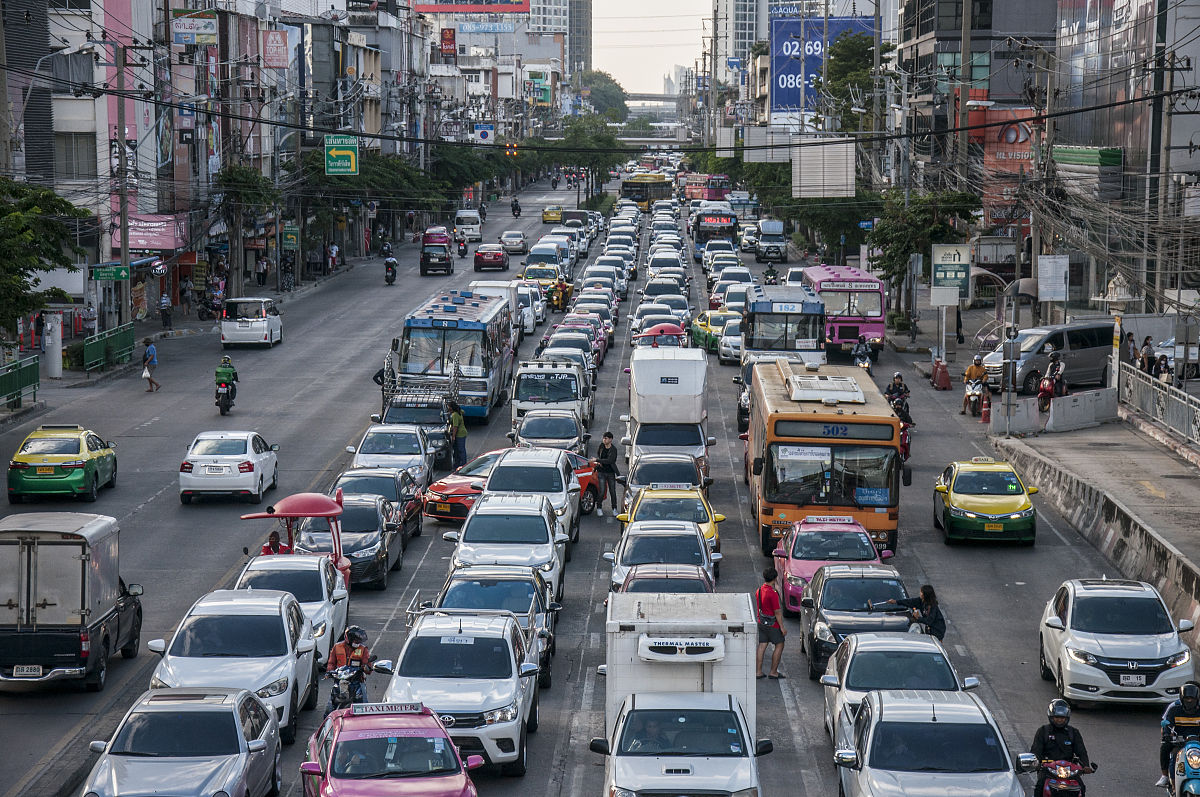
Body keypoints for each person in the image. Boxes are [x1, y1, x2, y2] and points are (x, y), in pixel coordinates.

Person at [1031, 699, 1092, 796]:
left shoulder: (1073, 732)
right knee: (1039, 786)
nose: (1060, 720)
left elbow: (1081, 751)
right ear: (1051, 716)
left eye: (1062, 718)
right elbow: (1036, 751)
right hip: (1047, 770)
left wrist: (1086, 766)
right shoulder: (1043, 731)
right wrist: (1035, 763)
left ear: (1067, 717)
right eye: (1057, 717)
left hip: (1069, 771)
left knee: (1081, 787)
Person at [1159, 681, 1200, 786]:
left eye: (1192, 698)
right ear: (1182, 698)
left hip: (1198, 741)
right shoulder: (1173, 709)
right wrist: (1167, 735)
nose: (1189, 701)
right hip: (1180, 741)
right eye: (1187, 698)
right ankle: (1166, 777)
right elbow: (1166, 725)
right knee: (1166, 749)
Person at [326, 626, 373, 711]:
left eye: (359, 641)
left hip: (357, 681)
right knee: (330, 707)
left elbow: (368, 665)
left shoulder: (363, 649)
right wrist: (330, 672)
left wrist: (367, 668)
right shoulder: (337, 647)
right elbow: (331, 663)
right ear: (349, 639)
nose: (358, 643)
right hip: (340, 681)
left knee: (364, 706)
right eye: (356, 640)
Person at [881, 584, 946, 640]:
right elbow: (910, 602)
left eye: (921, 592)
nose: (920, 593)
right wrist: (896, 601)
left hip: (938, 630)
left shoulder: (933, 606)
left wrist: (918, 618)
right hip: (930, 629)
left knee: (936, 644)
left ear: (925, 595)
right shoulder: (921, 601)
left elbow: (929, 621)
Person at [755, 567, 786, 679]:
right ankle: (773, 672)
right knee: (780, 644)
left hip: (761, 622)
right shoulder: (772, 593)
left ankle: (758, 671)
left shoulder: (759, 590)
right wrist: (782, 627)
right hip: (773, 625)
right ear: (774, 578)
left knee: (762, 645)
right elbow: (777, 612)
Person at [591, 432, 620, 516]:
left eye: (606, 438)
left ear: (610, 439)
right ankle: (599, 507)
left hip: (610, 472)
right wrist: (599, 461)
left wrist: (598, 460)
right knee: (602, 490)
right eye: (603, 438)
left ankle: (614, 508)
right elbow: (599, 455)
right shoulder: (601, 446)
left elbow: (610, 460)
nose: (604, 439)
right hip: (601, 472)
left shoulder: (613, 449)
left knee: (612, 491)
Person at [448, 401, 468, 468]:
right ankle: (458, 463)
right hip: (463, 432)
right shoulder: (459, 411)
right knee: (457, 449)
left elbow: (455, 427)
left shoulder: (455, 415)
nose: (448, 408)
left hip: (460, 434)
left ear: (452, 408)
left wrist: (453, 436)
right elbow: (463, 412)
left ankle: (463, 464)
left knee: (461, 449)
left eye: (449, 407)